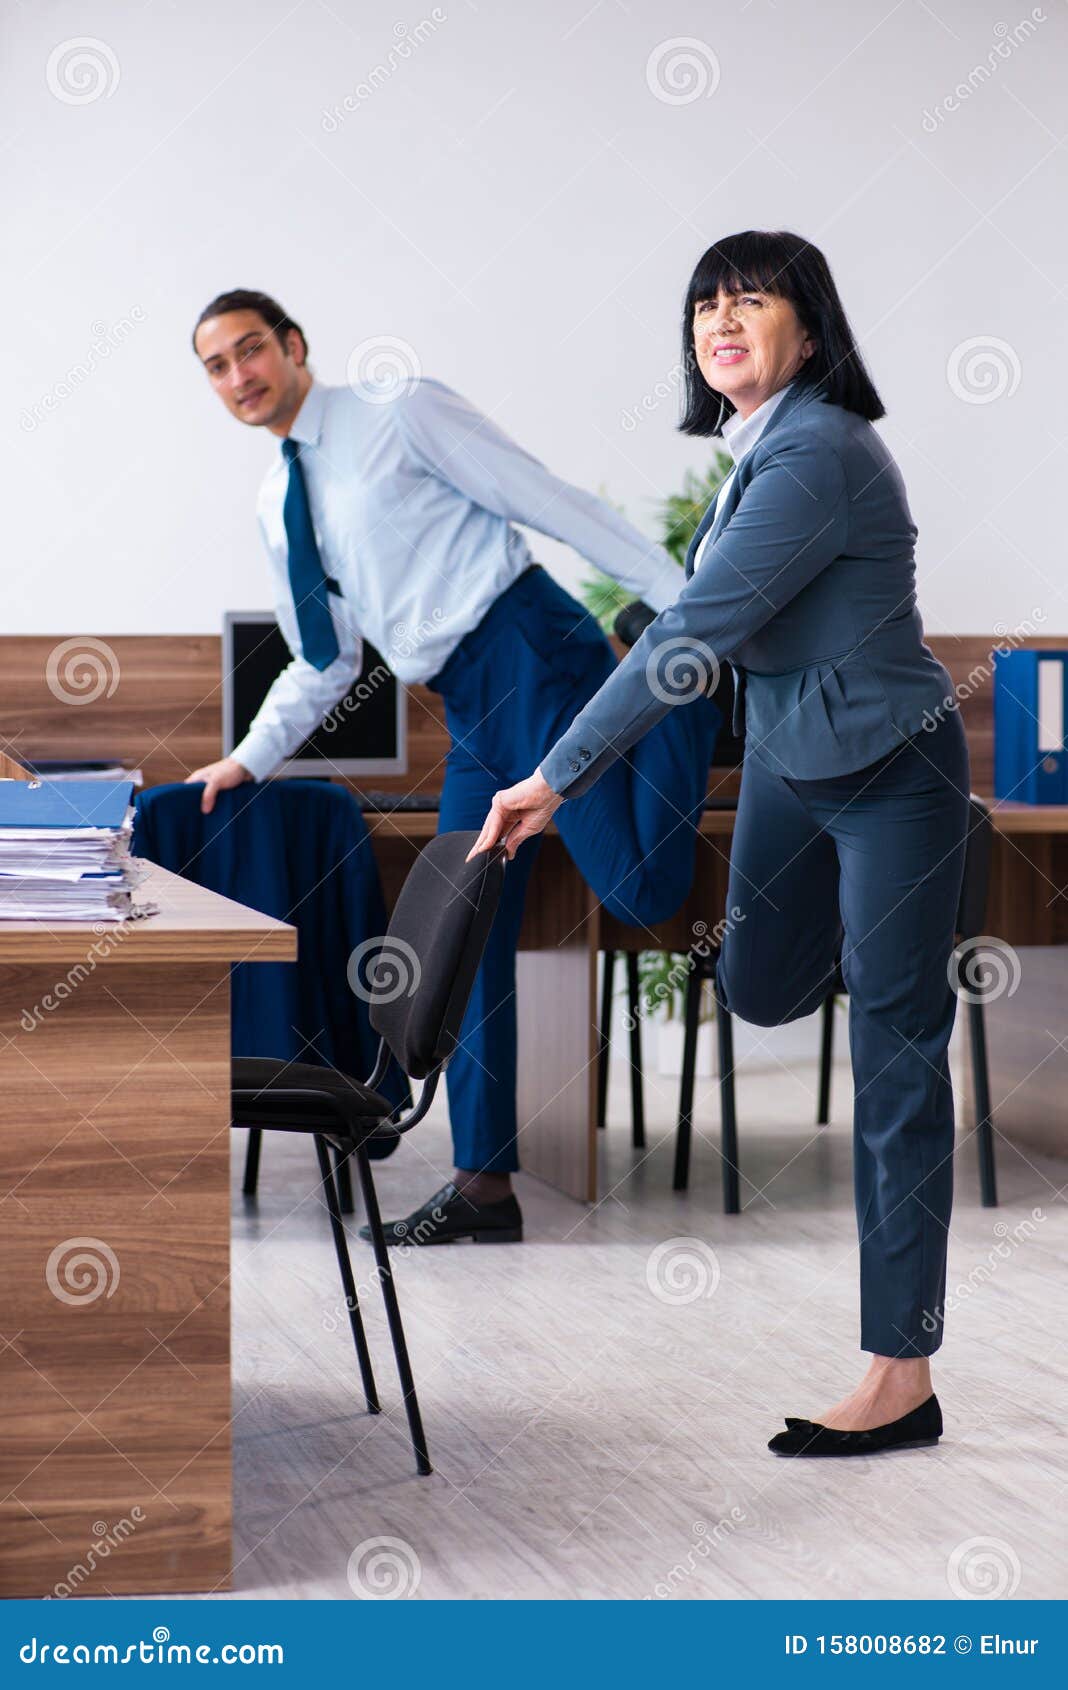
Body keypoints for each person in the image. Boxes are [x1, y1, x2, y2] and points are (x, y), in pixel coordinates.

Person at [470, 230, 972, 1459]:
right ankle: (890, 957)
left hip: (892, 770)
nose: (722, 320)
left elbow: (691, 635)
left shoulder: (822, 449)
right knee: (753, 984)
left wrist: (555, 774)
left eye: (752, 299)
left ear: (812, 327)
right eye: (706, 304)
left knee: (896, 1058)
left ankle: (900, 1372)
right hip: (795, 770)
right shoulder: (756, 451)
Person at [188, 290, 721, 1246]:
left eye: (251, 349)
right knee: (459, 932)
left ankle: (687, 690)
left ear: (294, 345)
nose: (239, 376)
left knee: (641, 888)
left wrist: (685, 610)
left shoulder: (398, 409)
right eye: (217, 366)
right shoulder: (278, 503)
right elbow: (326, 660)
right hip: (470, 705)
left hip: (533, 651)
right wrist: (246, 759)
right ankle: (484, 1188)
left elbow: (544, 498)